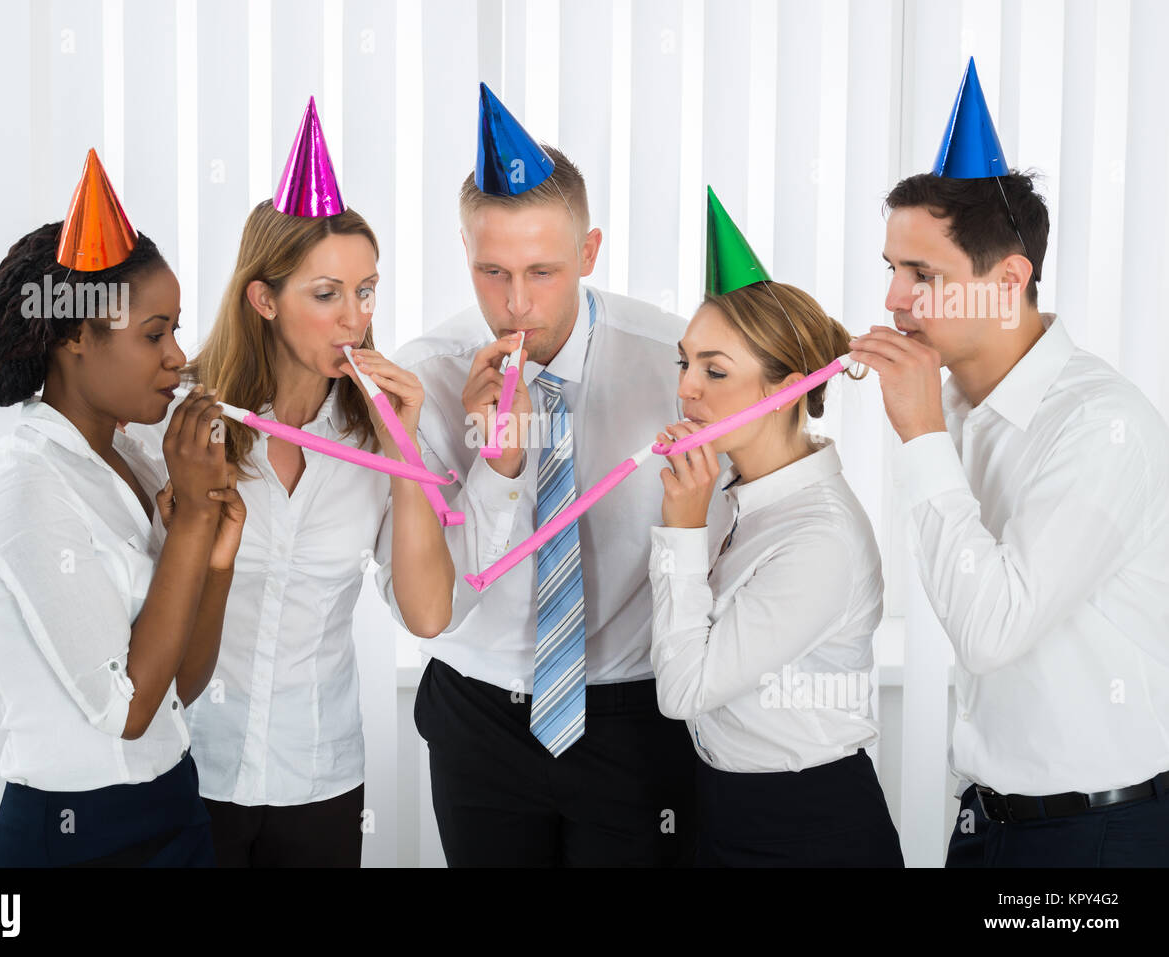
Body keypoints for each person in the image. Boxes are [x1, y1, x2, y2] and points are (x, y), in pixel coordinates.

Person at [380, 83, 726, 866]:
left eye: (542, 270)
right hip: (479, 714)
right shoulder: (423, 380)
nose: (516, 304)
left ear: (589, 252)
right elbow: (425, 599)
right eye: (492, 271)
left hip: (635, 717)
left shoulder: (676, 359)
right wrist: (496, 460)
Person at [848, 61, 1169, 866]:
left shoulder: (1100, 423)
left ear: (1008, 280)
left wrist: (920, 437)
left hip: (1097, 834)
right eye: (891, 268)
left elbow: (991, 626)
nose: (893, 298)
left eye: (923, 275)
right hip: (985, 822)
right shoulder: (954, 404)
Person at [127, 100, 455, 867]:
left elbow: (428, 614)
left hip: (321, 782)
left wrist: (406, 455)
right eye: (326, 293)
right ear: (264, 299)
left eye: (366, 290)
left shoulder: (381, 433)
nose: (355, 319)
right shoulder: (174, 421)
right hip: (187, 768)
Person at [0, 151, 245, 867]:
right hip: (76, 836)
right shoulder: (22, 484)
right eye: (154, 334)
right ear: (75, 338)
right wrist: (186, 526)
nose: (178, 357)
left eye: (175, 329)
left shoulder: (139, 461)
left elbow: (182, 683)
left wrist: (214, 549)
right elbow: (126, 709)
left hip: (176, 805)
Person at [647, 189, 902, 866]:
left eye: (715, 369)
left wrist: (679, 529)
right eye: (686, 362)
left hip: (808, 829)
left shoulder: (819, 538)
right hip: (722, 809)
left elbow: (685, 691)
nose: (686, 389)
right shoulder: (734, 497)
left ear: (786, 388)